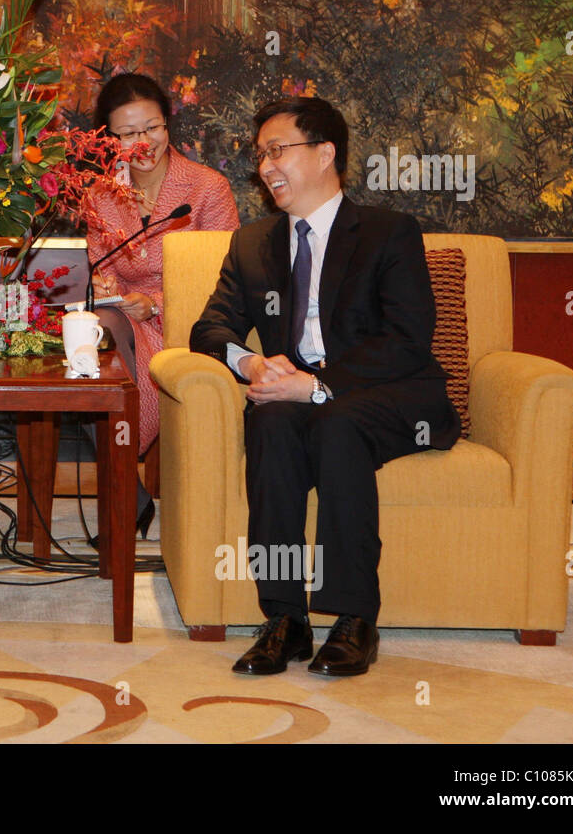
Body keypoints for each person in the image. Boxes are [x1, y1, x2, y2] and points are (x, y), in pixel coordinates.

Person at [191, 96, 460, 676]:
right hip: (294, 394)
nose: (265, 166)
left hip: (391, 393)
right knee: (269, 421)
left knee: (336, 421)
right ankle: (284, 618)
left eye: (278, 150)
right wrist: (253, 367)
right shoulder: (253, 243)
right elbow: (209, 329)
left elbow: (407, 340)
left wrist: (316, 385)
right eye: (260, 154)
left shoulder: (388, 233)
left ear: (325, 154)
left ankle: (355, 617)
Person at [88, 73, 239, 537]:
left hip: (190, 319)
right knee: (95, 330)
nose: (143, 142)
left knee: (107, 337)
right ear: (109, 139)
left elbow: (222, 273)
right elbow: (101, 267)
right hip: (122, 322)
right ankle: (128, 494)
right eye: (128, 134)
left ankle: (122, 498)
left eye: (151, 127)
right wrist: (116, 295)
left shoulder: (207, 187)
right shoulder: (100, 194)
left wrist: (153, 303)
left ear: (167, 123)